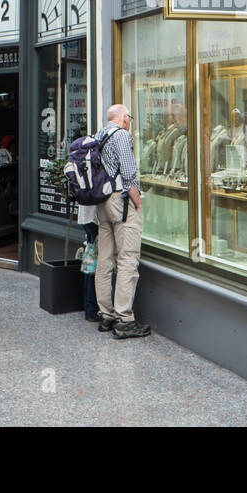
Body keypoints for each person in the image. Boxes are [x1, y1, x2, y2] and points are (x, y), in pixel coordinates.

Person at [95, 104, 150, 339]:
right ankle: (124, 319)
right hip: (121, 201)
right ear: (125, 118)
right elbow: (128, 172)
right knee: (127, 258)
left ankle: (105, 314)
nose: (129, 121)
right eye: (129, 117)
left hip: (102, 202)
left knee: (105, 258)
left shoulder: (99, 135)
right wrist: (138, 202)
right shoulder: (121, 135)